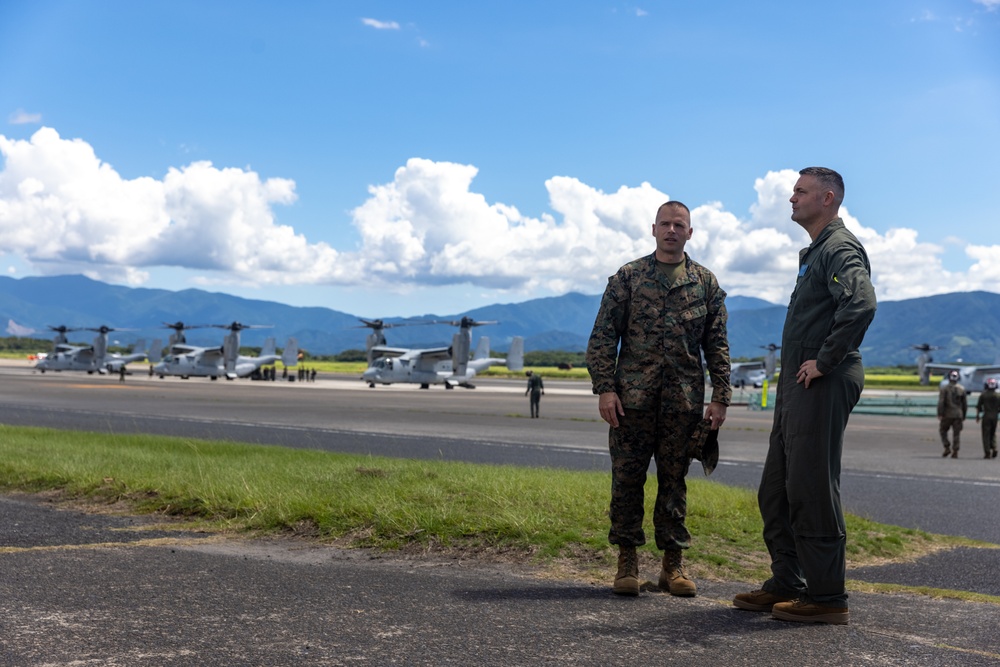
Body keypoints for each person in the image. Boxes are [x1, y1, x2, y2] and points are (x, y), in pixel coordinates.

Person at [733, 167, 876, 625]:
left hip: (822, 380)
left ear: (828, 198)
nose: (791, 198)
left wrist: (825, 359)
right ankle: (788, 582)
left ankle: (827, 596)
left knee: (812, 487)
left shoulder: (838, 247)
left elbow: (861, 302)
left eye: (800, 191)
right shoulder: (815, 252)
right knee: (776, 489)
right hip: (801, 385)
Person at [586, 200, 731, 598]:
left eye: (679, 224)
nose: (671, 230)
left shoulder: (705, 283)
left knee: (674, 483)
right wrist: (605, 388)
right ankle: (627, 562)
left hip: (682, 405)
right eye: (665, 224)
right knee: (627, 481)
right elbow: (602, 338)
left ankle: (673, 565)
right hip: (630, 402)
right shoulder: (629, 278)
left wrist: (721, 396)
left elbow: (716, 345)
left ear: (690, 232)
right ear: (653, 229)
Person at [938, 370, 967, 458]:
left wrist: (940, 413)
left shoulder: (944, 389)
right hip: (958, 414)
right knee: (956, 433)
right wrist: (964, 415)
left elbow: (941, 402)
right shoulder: (962, 389)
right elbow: (964, 404)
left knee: (943, 431)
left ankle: (947, 446)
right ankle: (955, 450)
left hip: (947, 414)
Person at [976, 377, 999, 459]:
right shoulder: (998, 395)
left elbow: (979, 406)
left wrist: (978, 416)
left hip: (986, 416)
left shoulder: (983, 395)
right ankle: (994, 447)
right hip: (995, 416)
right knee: (993, 433)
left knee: (986, 434)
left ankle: (987, 452)